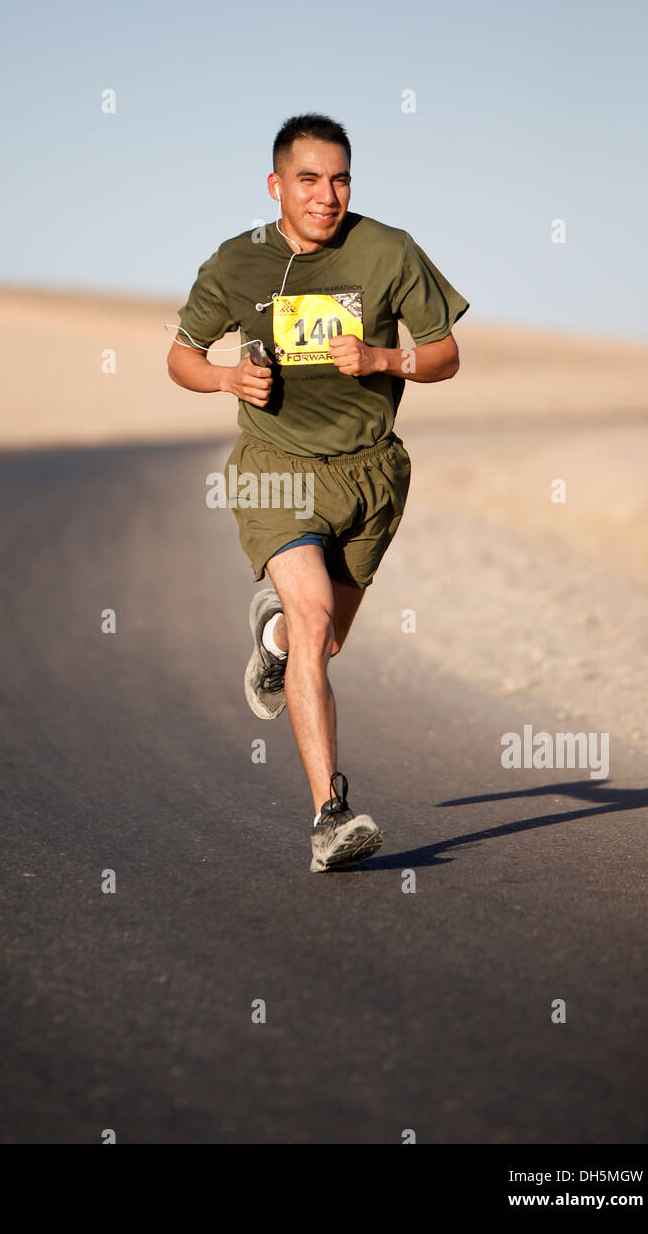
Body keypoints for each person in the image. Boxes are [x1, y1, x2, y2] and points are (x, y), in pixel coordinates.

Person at [166, 113, 469, 872]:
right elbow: (181, 356)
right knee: (313, 615)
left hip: (369, 474)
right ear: (276, 186)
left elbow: (444, 355)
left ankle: (271, 644)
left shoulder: (388, 251)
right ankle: (328, 818)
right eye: (309, 180)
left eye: (339, 180)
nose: (327, 196)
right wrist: (227, 377)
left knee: (321, 642)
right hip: (276, 465)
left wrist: (382, 358)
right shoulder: (237, 264)